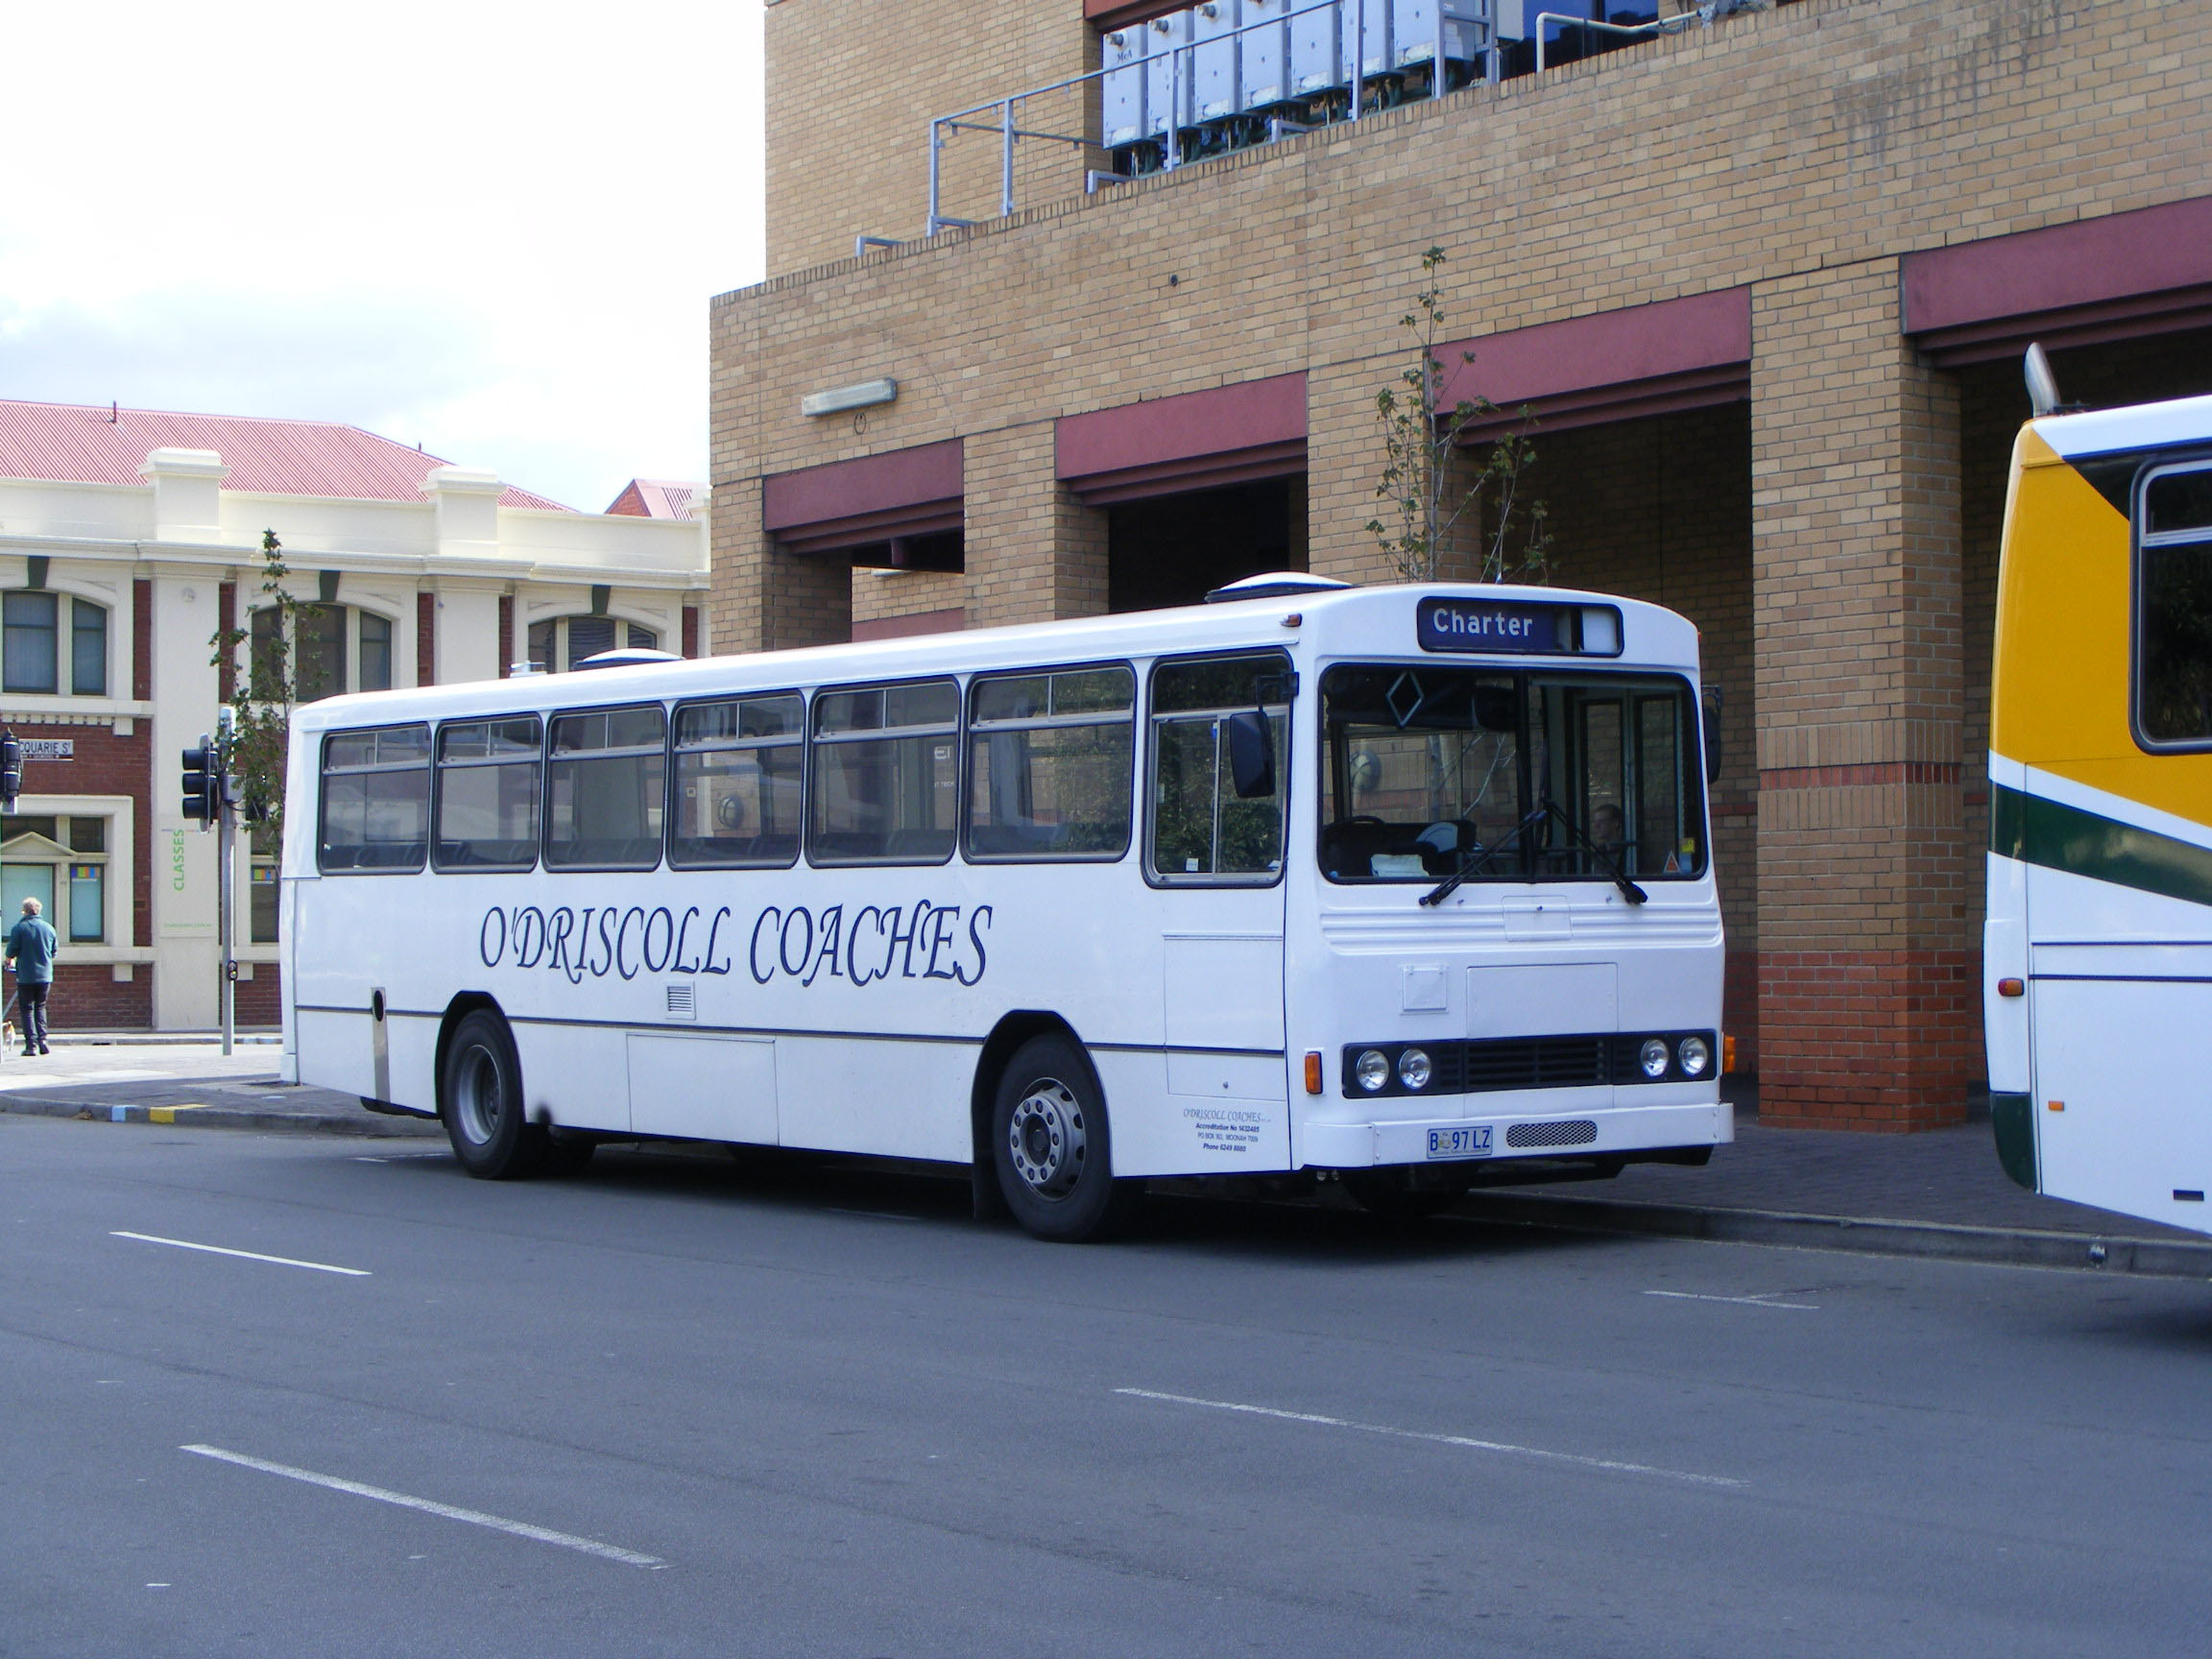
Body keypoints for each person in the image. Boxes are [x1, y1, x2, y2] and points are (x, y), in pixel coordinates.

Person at [6, 895, 58, 1056]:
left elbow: (11, 951)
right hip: (44, 976)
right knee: (40, 1007)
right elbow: (53, 952)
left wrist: (9, 961)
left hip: (26, 976)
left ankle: (31, 1045)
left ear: (24, 911)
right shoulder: (49, 928)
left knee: (27, 1009)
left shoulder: (19, 929)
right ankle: (43, 1041)